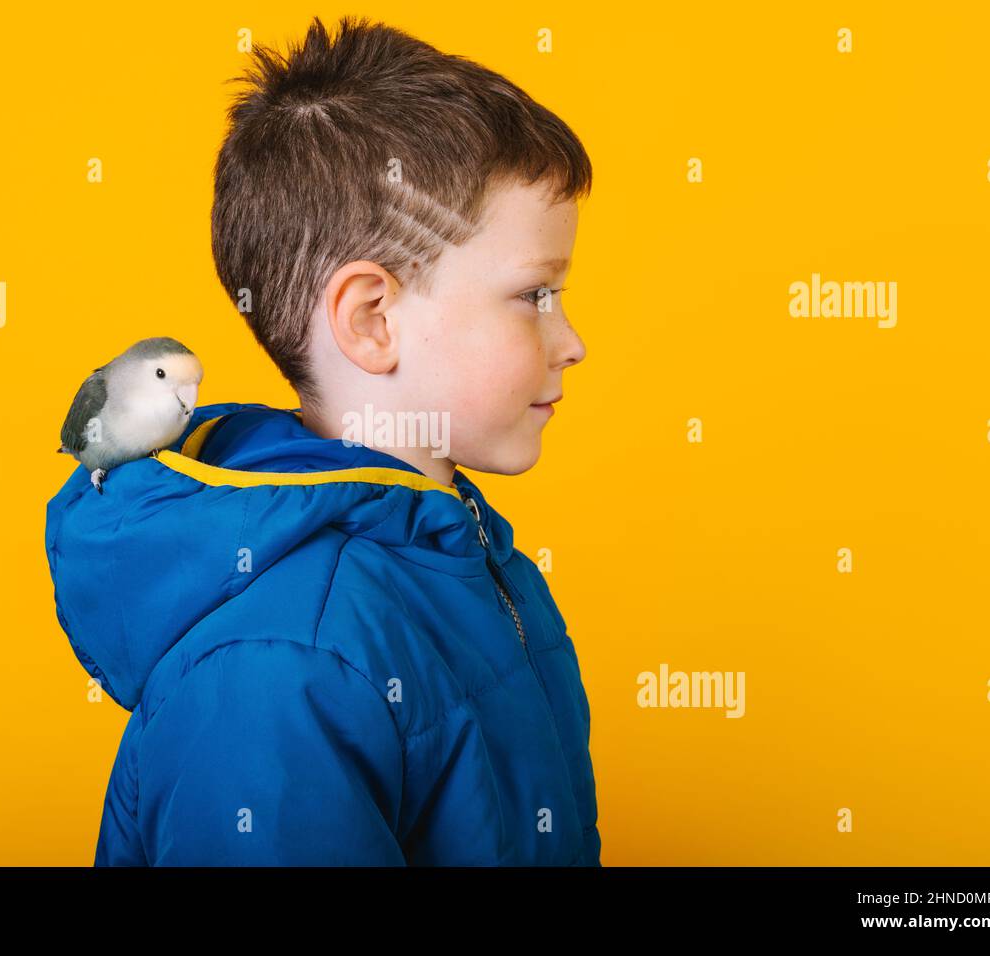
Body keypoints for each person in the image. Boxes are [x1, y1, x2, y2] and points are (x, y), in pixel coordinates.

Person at [45, 15, 599, 865]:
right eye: (535, 296)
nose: (572, 342)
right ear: (373, 320)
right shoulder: (279, 667)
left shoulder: (462, 554)